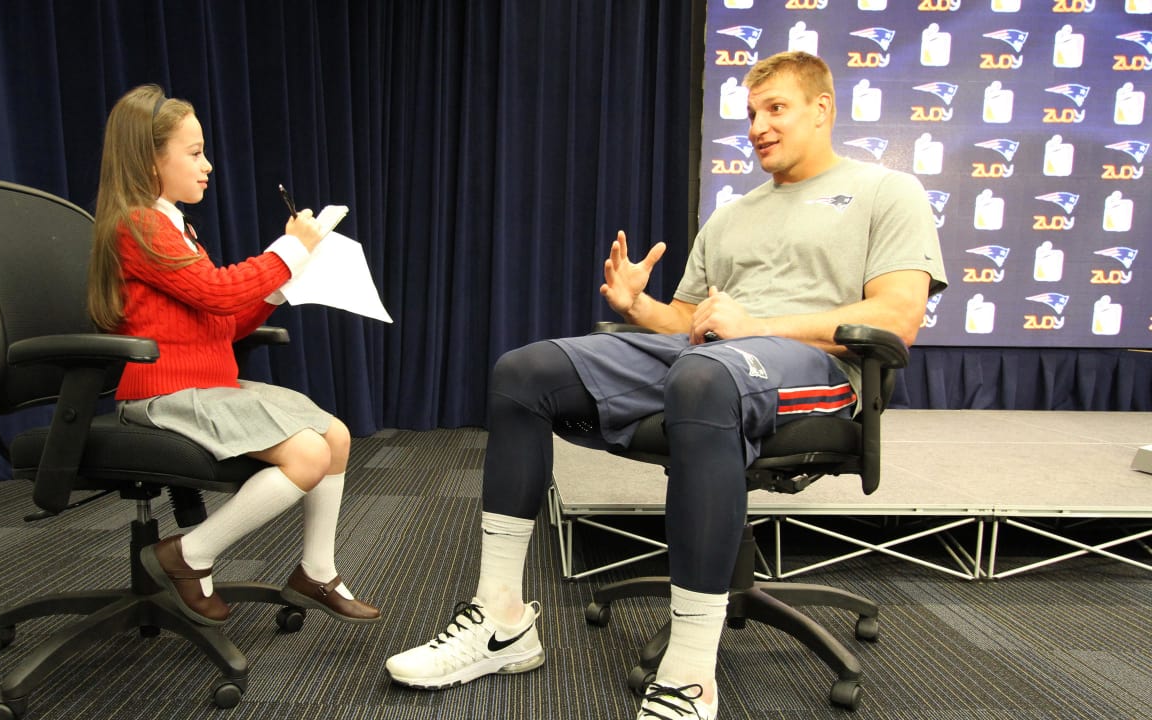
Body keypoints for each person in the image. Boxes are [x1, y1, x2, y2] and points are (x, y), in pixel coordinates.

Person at [385, 51, 946, 719]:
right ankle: (501, 619)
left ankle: (688, 675)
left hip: (818, 371)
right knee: (523, 372)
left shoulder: (888, 190)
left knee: (705, 377)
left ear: (822, 110)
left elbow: (895, 317)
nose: (759, 126)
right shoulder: (734, 214)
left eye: (776, 109)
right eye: (750, 114)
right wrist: (640, 309)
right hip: (714, 360)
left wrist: (754, 325)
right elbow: (690, 322)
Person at [87, 84, 380, 628]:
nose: (208, 166)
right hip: (163, 394)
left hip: (206, 383)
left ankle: (316, 570)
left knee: (334, 437)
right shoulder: (140, 226)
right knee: (308, 457)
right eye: (194, 153)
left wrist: (277, 286)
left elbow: (219, 318)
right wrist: (287, 252)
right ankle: (188, 556)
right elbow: (218, 292)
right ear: (149, 160)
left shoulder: (174, 226)